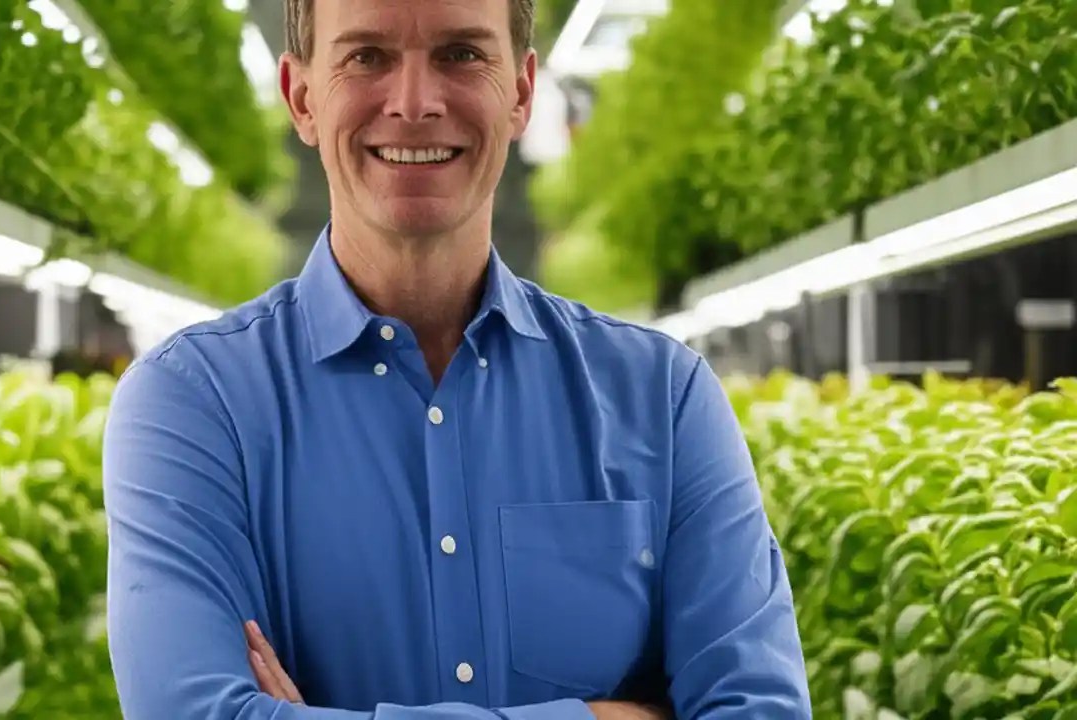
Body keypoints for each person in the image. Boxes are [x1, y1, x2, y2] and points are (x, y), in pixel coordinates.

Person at [101, 0, 813, 718]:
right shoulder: (193, 402)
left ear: (522, 94)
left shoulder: (664, 398)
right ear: (302, 97)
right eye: (367, 57)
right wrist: (602, 715)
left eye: (461, 54)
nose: (414, 103)